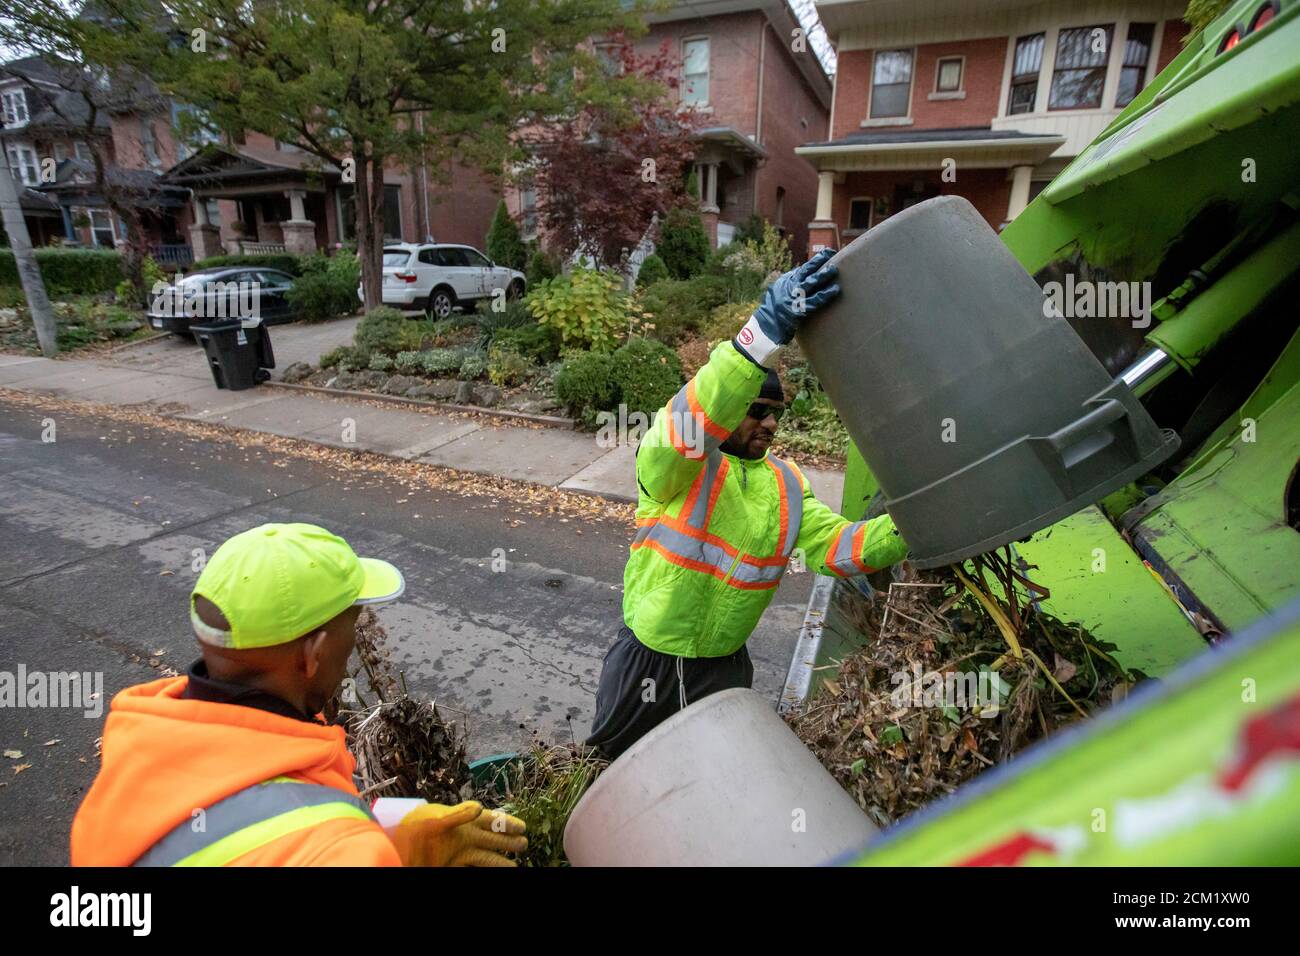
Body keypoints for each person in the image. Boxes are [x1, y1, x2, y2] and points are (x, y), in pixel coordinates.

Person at [586, 250, 909, 759]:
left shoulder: (785, 485)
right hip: (648, 662)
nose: (771, 424)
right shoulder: (679, 461)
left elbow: (841, 548)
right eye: (757, 410)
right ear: (732, 408)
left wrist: (917, 522)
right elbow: (695, 416)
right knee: (610, 773)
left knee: (713, 783)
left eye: (777, 412)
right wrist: (761, 335)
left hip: (725, 670)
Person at [71, 522, 527, 866]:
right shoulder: (345, 854)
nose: (354, 645)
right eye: (353, 627)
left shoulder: (145, 741)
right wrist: (365, 846)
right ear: (314, 655)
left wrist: (393, 836)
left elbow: (256, 827)